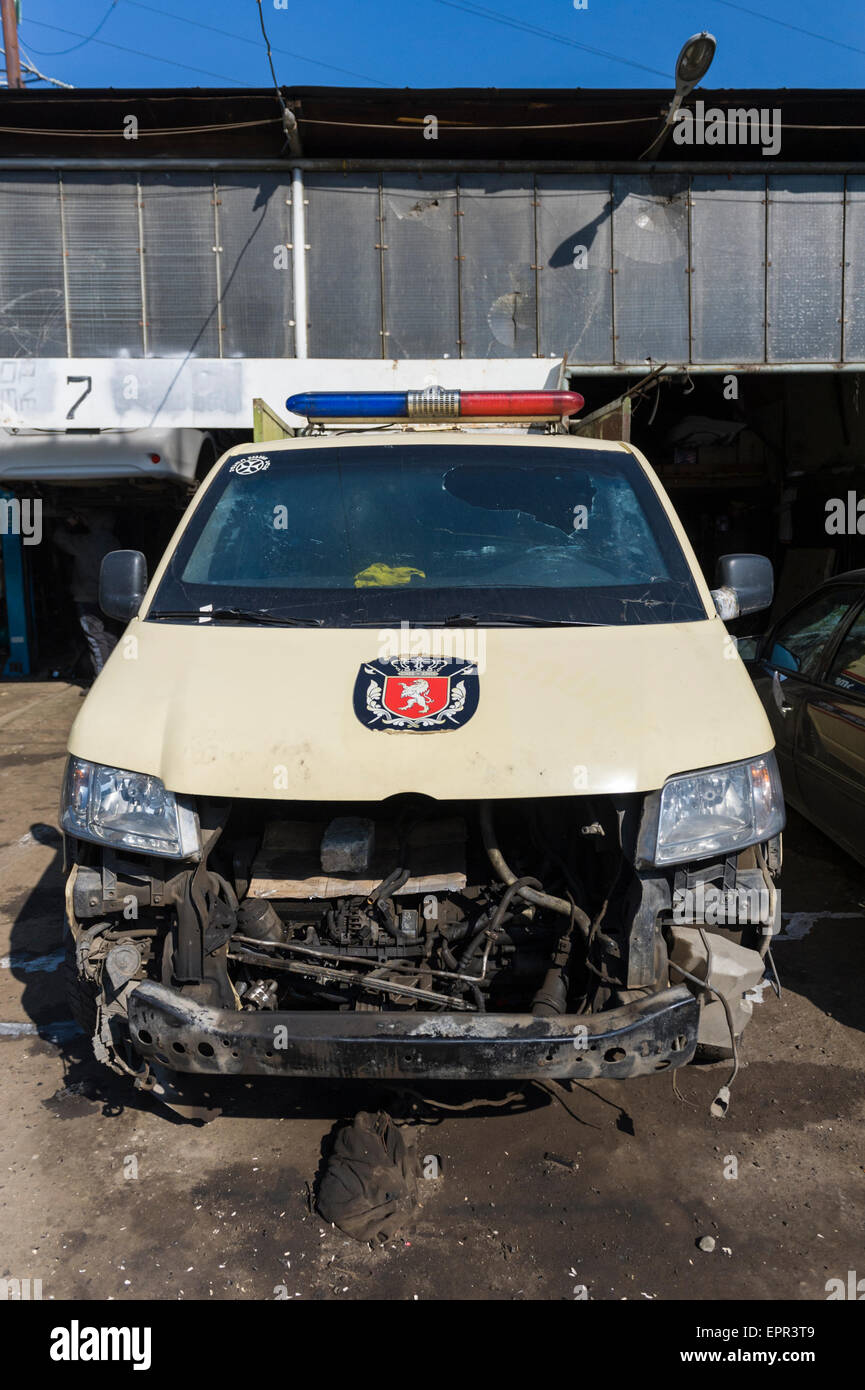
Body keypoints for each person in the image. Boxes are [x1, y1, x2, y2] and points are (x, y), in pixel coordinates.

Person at [53, 509, 121, 678]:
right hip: (111, 599)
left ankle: (100, 681)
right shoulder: (114, 542)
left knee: (96, 640)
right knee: (111, 638)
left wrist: (68, 524)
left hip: (88, 598)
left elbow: (58, 538)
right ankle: (114, 676)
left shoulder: (85, 542)